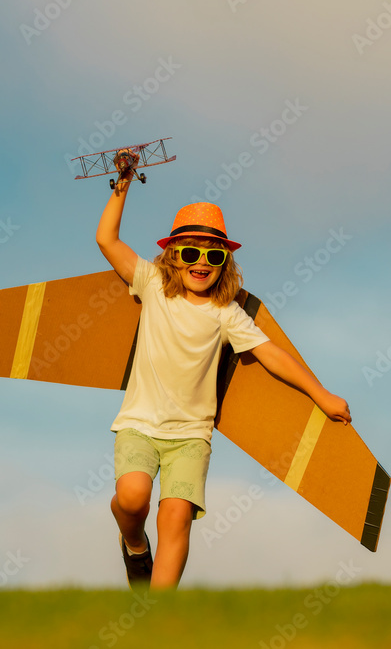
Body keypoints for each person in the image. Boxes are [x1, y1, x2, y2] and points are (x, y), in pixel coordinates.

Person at [95, 163, 351, 591]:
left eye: (213, 255)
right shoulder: (152, 284)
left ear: (224, 262)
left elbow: (271, 355)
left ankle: (157, 616)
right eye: (190, 252)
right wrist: (122, 184)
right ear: (172, 255)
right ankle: (135, 545)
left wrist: (320, 394)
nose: (201, 262)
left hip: (192, 435)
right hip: (139, 425)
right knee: (133, 499)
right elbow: (107, 240)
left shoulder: (226, 313)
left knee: (176, 517)